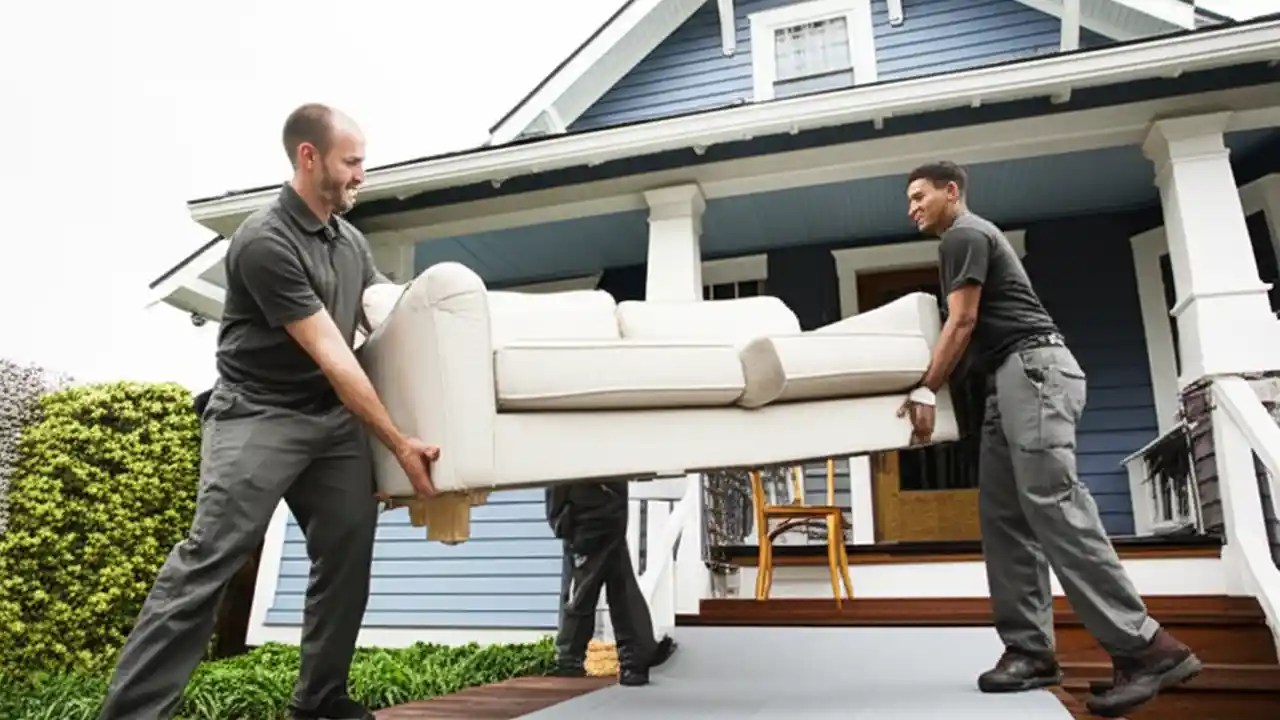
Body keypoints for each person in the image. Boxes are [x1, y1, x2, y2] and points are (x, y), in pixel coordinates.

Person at [97, 103, 440, 720]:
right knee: (211, 556)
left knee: (348, 546)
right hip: (258, 414)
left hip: (329, 422)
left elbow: (383, 314)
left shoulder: (349, 241)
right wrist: (396, 441)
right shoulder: (265, 241)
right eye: (352, 161)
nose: (363, 173)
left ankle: (320, 701)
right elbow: (337, 356)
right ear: (309, 159)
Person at [897, 161, 1201, 718]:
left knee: (1053, 504)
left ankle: (1147, 647)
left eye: (920, 196)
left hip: (1034, 369)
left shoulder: (964, 233)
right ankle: (1030, 652)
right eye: (908, 200)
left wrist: (924, 389)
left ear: (951, 191)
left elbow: (961, 324)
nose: (911, 207)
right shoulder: (963, 240)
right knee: (1003, 518)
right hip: (1004, 383)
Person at [545, 479, 677, 686]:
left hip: (590, 510)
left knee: (588, 587)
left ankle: (573, 662)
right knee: (605, 583)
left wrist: (560, 519)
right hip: (597, 509)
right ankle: (634, 657)